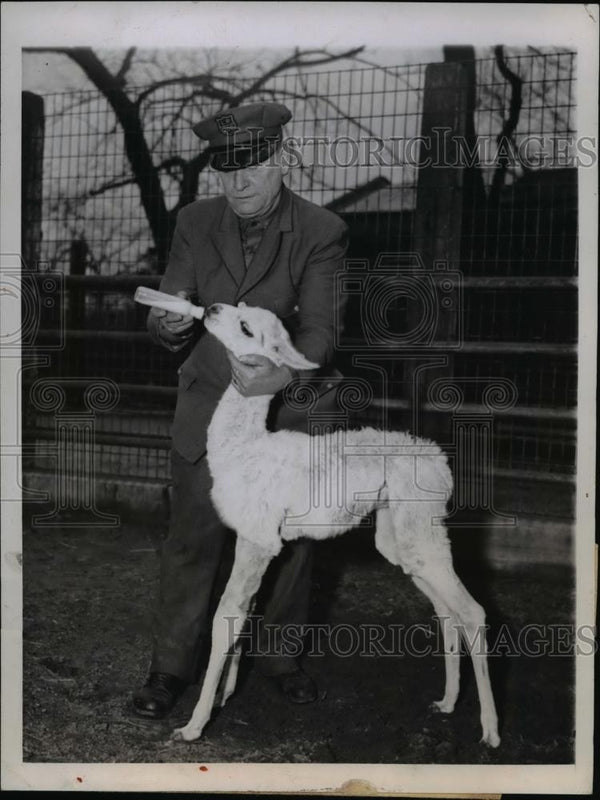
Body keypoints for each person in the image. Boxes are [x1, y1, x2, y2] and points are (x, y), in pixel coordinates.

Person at [132, 102, 348, 718]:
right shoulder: (195, 222)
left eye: (252, 166)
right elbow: (169, 302)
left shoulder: (322, 230)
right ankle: (171, 667)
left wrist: (278, 374)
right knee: (192, 535)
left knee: (289, 542)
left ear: (282, 159)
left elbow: (322, 332)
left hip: (290, 410)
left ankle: (280, 658)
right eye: (226, 169)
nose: (238, 182)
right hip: (209, 406)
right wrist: (167, 323)